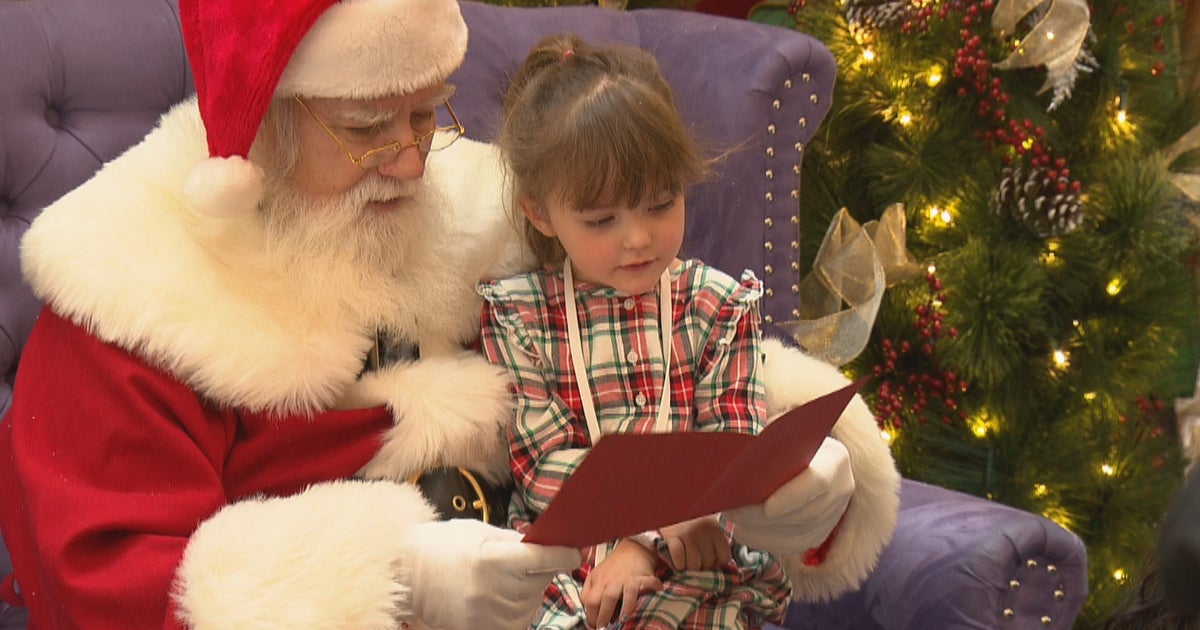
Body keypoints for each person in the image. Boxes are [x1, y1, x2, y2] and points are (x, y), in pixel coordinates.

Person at [0, 0, 581, 627]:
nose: (412, 163)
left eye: (423, 115)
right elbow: (121, 590)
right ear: (262, 130)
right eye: (364, 128)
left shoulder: (475, 216)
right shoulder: (124, 302)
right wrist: (394, 574)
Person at [478, 34, 888, 629]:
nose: (638, 238)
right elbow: (543, 470)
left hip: (698, 560)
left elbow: (735, 455)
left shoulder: (716, 307)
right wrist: (639, 531)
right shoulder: (520, 316)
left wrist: (652, 542)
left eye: (660, 203)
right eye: (602, 219)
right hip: (566, 570)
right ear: (540, 212)